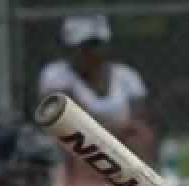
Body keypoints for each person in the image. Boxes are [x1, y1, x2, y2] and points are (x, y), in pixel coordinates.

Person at [37, 15, 156, 164]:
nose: (93, 52)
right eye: (85, 47)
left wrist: (113, 131)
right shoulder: (55, 74)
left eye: (97, 45)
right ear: (70, 48)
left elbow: (139, 119)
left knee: (142, 135)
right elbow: (71, 122)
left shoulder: (126, 75)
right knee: (69, 140)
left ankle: (143, 177)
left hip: (122, 142)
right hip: (81, 144)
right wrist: (117, 129)